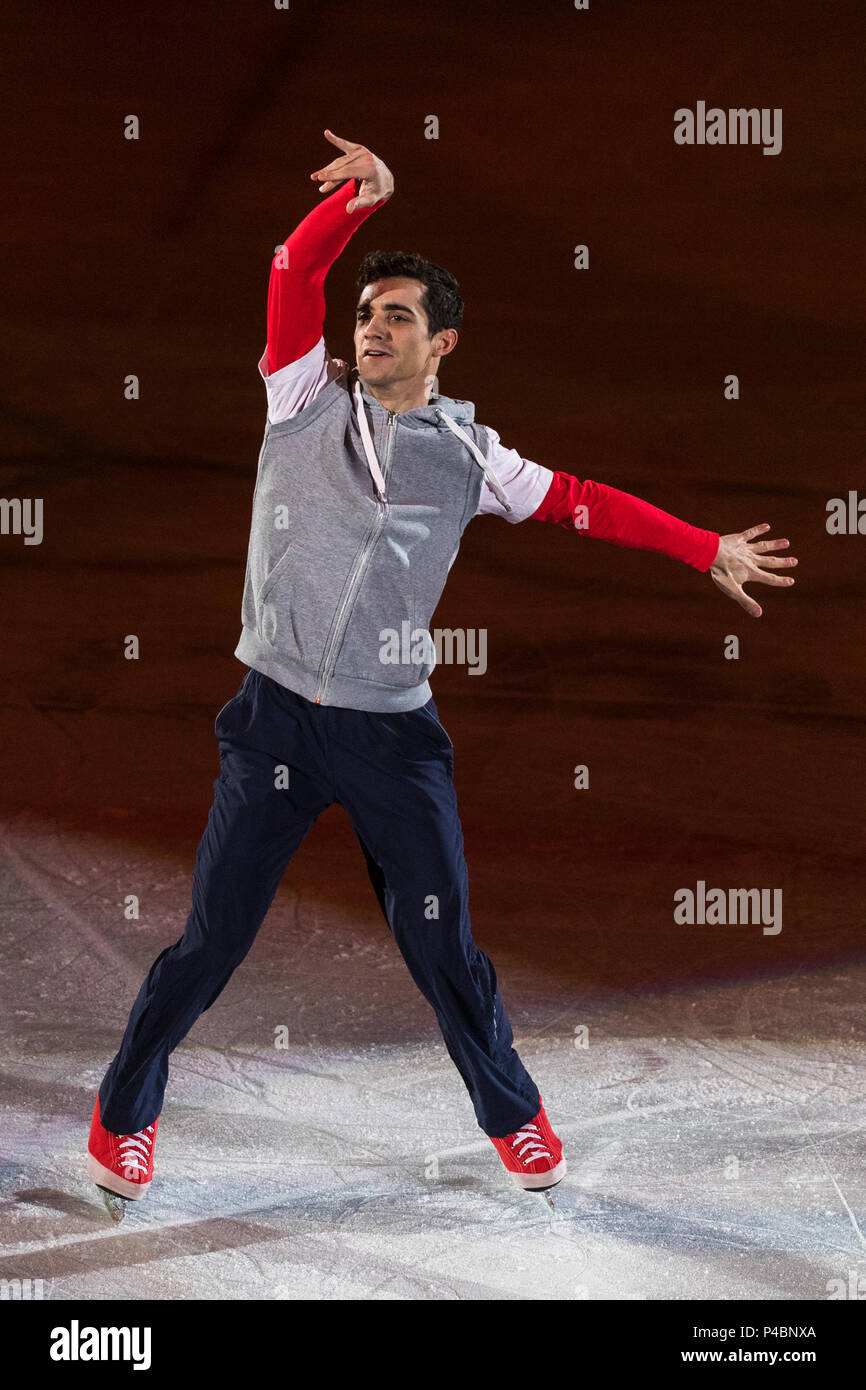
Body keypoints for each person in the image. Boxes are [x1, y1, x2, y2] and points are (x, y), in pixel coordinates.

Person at [86, 130, 797, 1212]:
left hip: (389, 738)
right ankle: (122, 1115)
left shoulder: (472, 457)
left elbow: (585, 503)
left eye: (397, 317)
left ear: (442, 344)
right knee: (212, 939)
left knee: (442, 946)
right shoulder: (299, 398)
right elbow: (292, 272)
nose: (371, 329)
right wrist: (358, 204)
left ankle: (512, 1116)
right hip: (274, 722)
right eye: (366, 314)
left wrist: (704, 547)